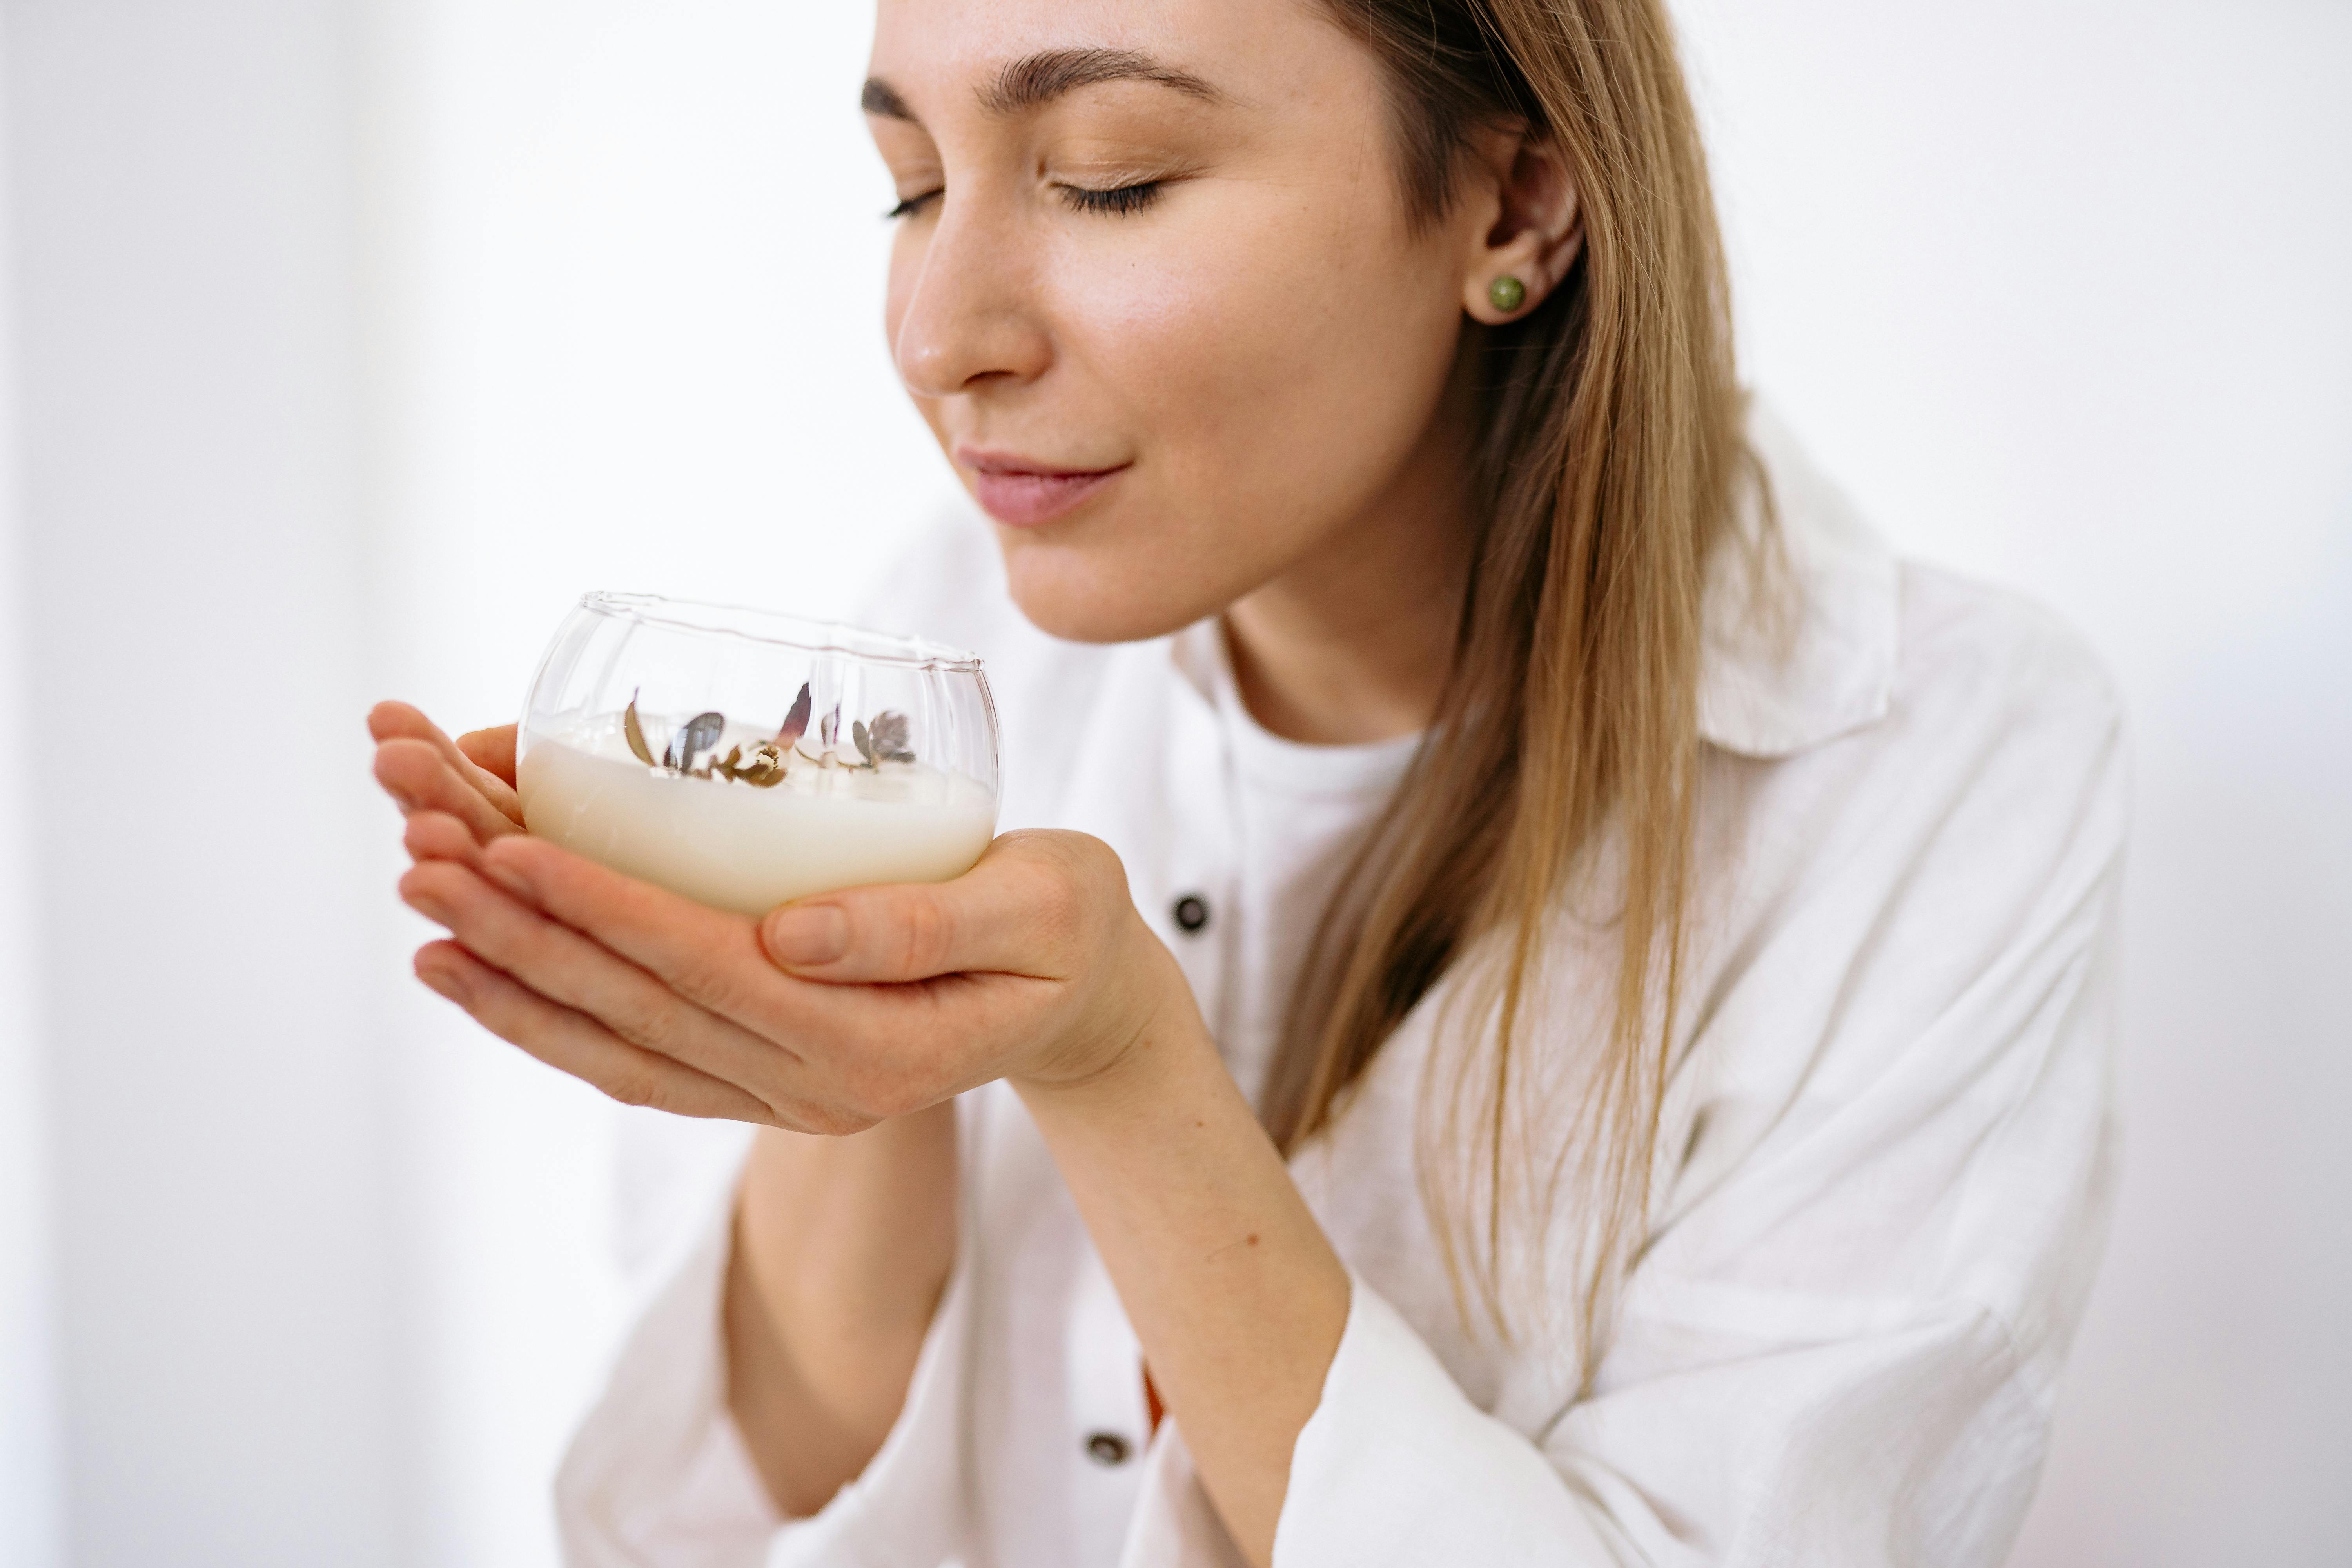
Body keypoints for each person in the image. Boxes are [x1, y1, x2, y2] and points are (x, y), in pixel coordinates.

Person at [367, 0, 2127, 1563]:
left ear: (1514, 206)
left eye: (1111, 177)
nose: (936, 333)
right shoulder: (941, 646)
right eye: (912, 186)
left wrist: (1116, 1057)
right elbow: (704, 1518)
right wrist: (860, 1049)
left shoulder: (1943, 764)